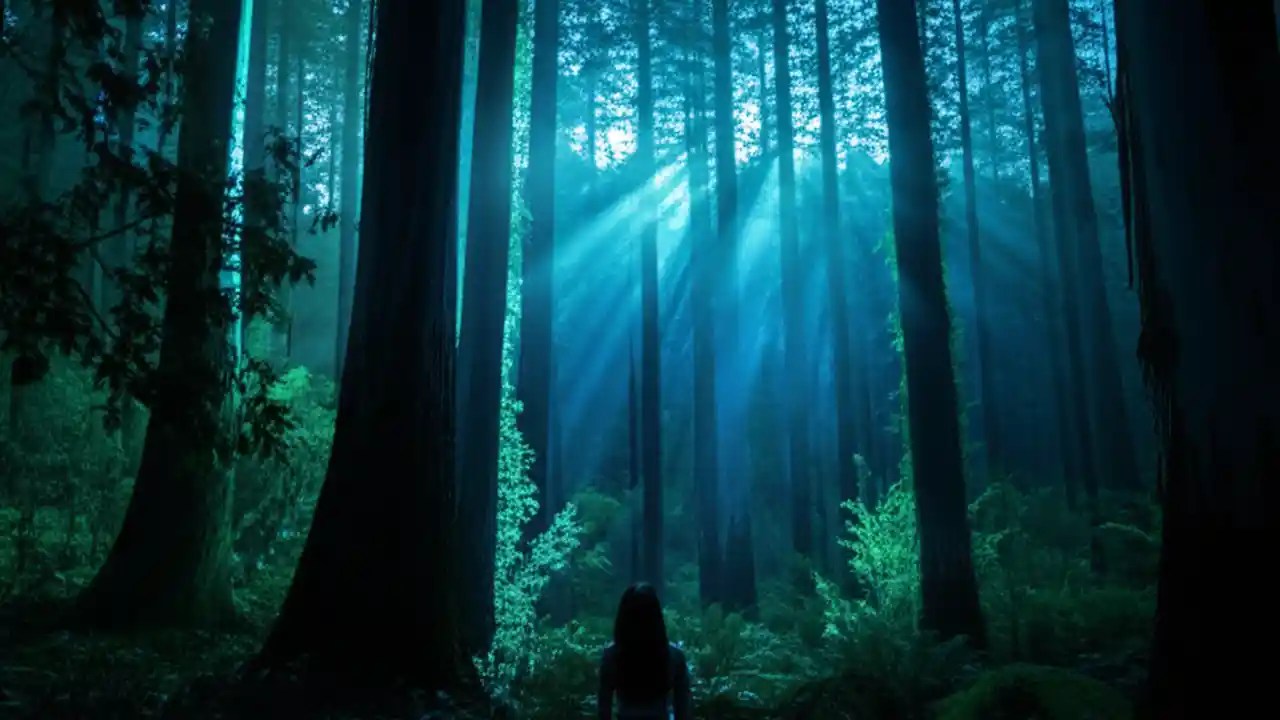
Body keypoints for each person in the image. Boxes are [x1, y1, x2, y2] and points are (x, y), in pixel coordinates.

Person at [598, 583, 691, 720]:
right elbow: (683, 710)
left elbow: (603, 710)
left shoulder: (611, 656)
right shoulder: (674, 656)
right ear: (657, 616)